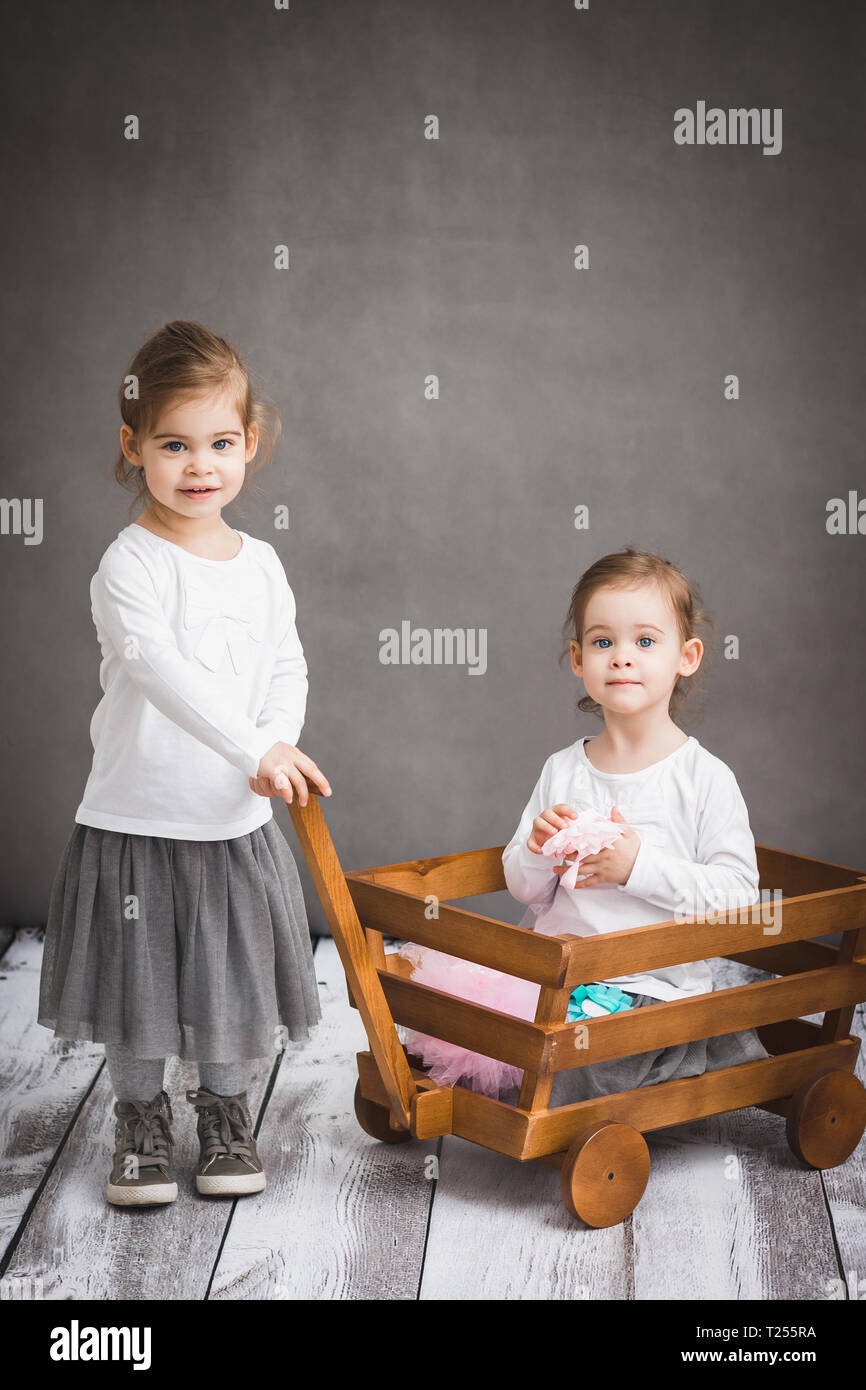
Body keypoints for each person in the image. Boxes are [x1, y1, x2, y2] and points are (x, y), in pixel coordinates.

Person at [38, 319, 331, 1205]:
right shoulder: (129, 564)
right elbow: (158, 673)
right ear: (134, 447)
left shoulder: (263, 564)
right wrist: (253, 744)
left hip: (229, 820)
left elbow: (287, 664)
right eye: (173, 444)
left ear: (251, 444)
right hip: (139, 816)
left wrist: (272, 744)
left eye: (219, 442)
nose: (199, 465)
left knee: (228, 981)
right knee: (142, 987)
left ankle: (223, 1110)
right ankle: (138, 1120)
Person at [502, 545, 770, 1106]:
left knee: (584, 1067)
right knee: (484, 1033)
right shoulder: (562, 769)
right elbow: (525, 889)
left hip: (650, 992)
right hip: (558, 981)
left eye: (645, 641)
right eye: (603, 642)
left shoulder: (702, 779)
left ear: (687, 656)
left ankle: (670, 1067)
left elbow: (739, 897)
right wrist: (536, 848)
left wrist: (637, 867)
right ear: (578, 658)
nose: (622, 657)